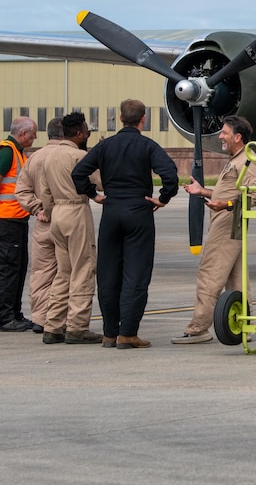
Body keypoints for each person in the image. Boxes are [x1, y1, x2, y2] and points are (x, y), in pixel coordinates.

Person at [72, 99, 178, 349]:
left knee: (108, 274)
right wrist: (162, 198)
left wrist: (93, 194)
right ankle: (128, 332)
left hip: (111, 209)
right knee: (136, 274)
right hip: (139, 210)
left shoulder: (105, 146)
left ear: (120, 119)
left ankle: (109, 332)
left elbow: (78, 172)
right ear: (143, 119)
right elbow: (170, 174)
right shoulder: (147, 146)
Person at [172, 115, 256, 344]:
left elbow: (255, 196)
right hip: (228, 220)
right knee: (236, 279)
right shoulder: (236, 159)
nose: (221, 136)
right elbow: (228, 193)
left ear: (238, 137)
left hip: (227, 222)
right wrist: (203, 192)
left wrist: (226, 205)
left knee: (209, 273)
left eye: (224, 133)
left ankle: (198, 328)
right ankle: (244, 327)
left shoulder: (247, 161)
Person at [16, 113, 104, 344]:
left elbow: (43, 190)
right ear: (78, 133)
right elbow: (99, 182)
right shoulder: (79, 156)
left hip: (55, 214)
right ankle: (77, 326)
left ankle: (52, 325)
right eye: (86, 131)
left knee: (62, 272)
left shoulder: (44, 157)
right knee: (83, 269)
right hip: (75, 209)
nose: (87, 135)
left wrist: (45, 209)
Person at [0, 115, 38, 332]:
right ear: (23, 134)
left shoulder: (18, 153)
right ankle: (4, 317)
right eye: (32, 134)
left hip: (16, 217)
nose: (34, 138)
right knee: (9, 268)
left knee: (18, 267)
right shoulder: (7, 151)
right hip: (7, 218)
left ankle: (14, 313)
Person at [17, 117, 64, 335]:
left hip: (43, 223)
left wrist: (37, 209)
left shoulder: (34, 158)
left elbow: (21, 190)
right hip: (68, 220)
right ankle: (59, 319)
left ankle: (40, 318)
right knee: (68, 272)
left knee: (42, 272)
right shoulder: (71, 156)